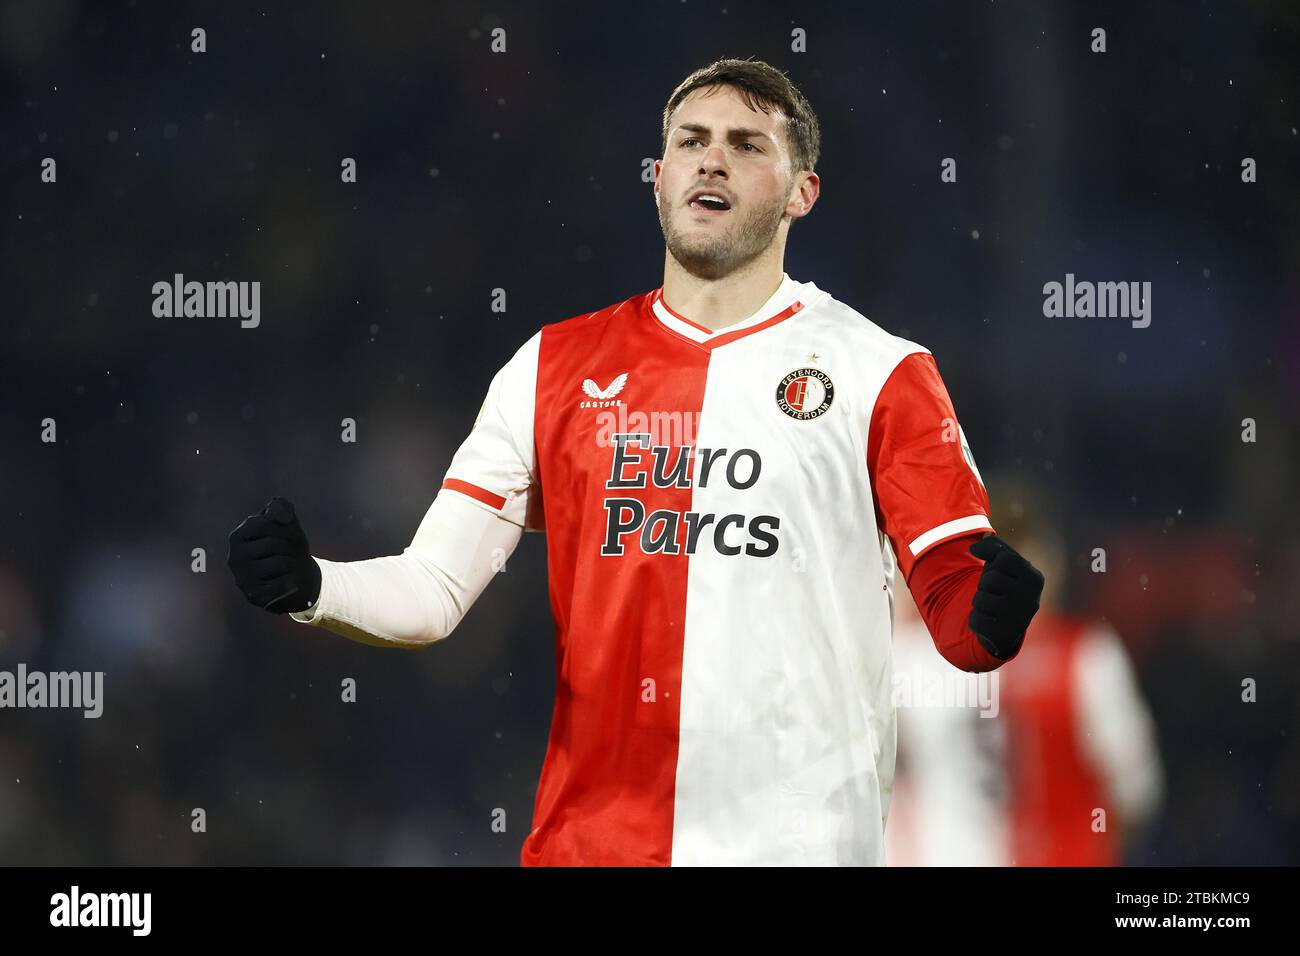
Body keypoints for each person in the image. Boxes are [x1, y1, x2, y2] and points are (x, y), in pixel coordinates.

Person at [227, 57, 1044, 866]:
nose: (712, 158)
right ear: (658, 177)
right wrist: (315, 586)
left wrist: (994, 615)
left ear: (803, 192)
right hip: (594, 852)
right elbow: (434, 590)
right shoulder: (550, 369)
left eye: (747, 144)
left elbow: (957, 606)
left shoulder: (883, 373)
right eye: (691, 141)